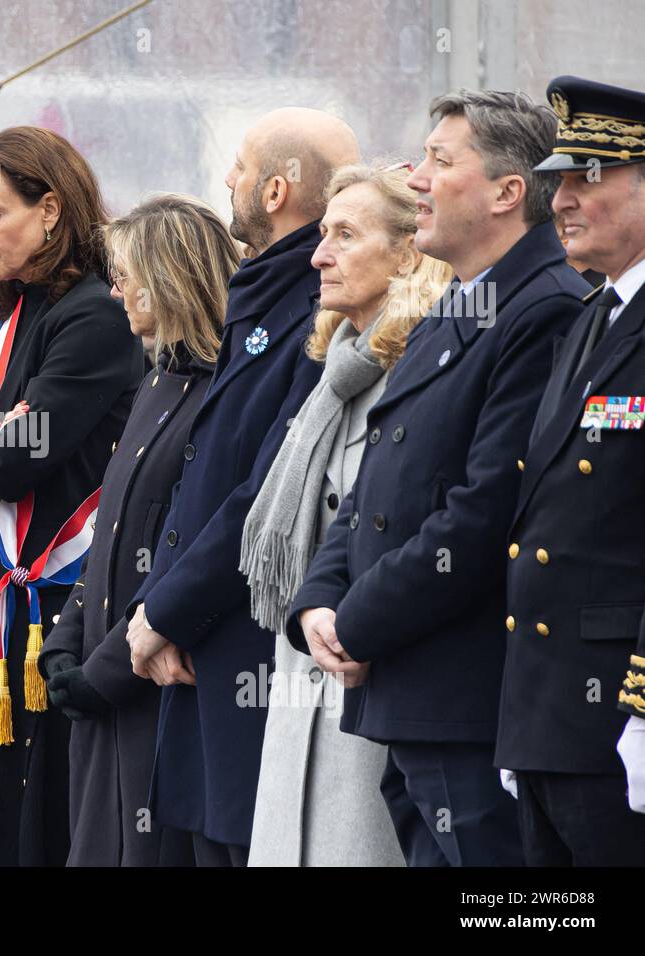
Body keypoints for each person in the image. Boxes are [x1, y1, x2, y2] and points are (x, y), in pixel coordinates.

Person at [289, 90, 589, 866]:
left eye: (438, 160)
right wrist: (320, 598)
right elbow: (380, 476)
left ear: (507, 191)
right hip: (413, 692)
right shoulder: (460, 300)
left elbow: (485, 510)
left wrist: (358, 620)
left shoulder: (544, 308)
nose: (416, 177)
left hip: (467, 695)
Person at [124, 108, 359, 867]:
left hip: (244, 652)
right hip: (203, 649)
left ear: (274, 192)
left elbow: (262, 498)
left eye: (240, 165)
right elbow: (204, 477)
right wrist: (155, 611)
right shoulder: (259, 300)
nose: (228, 178)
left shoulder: (312, 319)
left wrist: (164, 611)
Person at [0, 126, 144, 866]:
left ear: (49, 211)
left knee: (26, 819)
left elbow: (17, 461)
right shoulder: (6, 317)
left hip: (50, 602)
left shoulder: (95, 315)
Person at [243, 163, 451, 866]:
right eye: (323, 232)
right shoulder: (337, 369)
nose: (318, 254)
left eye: (344, 235)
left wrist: (346, 622)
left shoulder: (423, 371)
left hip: (370, 674)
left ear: (407, 252)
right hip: (304, 667)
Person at [37, 194, 237, 866]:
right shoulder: (160, 381)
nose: (115, 289)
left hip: (150, 691)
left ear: (169, 276)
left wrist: (103, 670)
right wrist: (64, 645)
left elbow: (187, 551)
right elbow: (112, 531)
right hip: (106, 692)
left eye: (125, 274)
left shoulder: (219, 392)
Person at [496, 75, 645, 863]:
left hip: (619, 722)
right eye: (558, 180)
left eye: (591, 177)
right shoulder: (593, 319)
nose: (562, 200)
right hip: (552, 722)